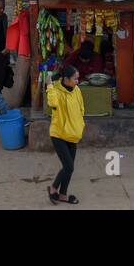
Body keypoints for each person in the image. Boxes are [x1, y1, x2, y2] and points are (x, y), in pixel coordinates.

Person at [46, 64, 85, 204]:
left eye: (78, 78)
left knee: (69, 168)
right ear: (66, 79)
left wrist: (80, 125)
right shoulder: (56, 91)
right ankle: (53, 188)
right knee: (69, 166)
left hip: (73, 134)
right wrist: (49, 86)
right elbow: (52, 103)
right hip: (59, 134)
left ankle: (62, 195)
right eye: (75, 79)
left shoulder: (77, 90)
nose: (77, 81)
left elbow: (81, 108)